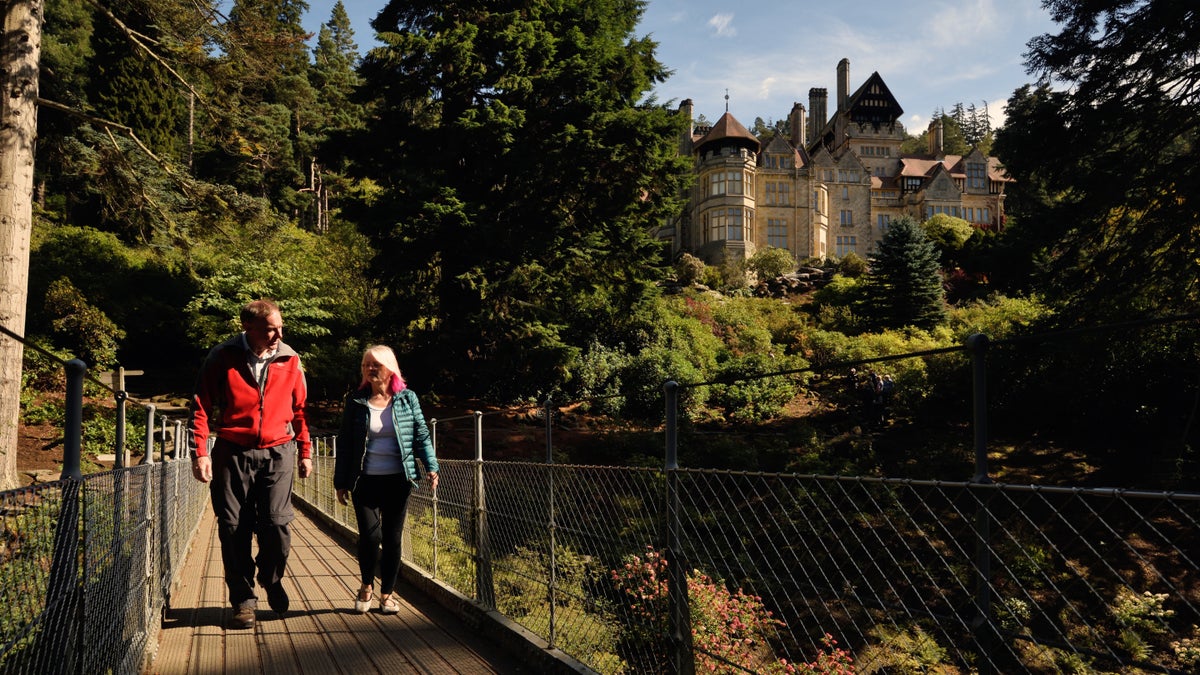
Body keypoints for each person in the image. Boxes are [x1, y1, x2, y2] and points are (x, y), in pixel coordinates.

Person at [188, 299, 313, 630]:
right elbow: (200, 405)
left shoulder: (290, 358)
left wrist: (305, 450)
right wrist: (200, 452)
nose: (278, 335)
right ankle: (243, 600)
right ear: (248, 327)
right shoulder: (222, 356)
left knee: (277, 525)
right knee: (233, 528)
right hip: (232, 452)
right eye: (270, 329)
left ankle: (271, 578)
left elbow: (300, 409)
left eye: (280, 328)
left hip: (278, 452)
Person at [334, 345, 439, 615]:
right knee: (370, 536)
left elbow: (421, 435)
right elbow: (345, 443)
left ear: (389, 368)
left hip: (398, 480)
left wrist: (431, 466)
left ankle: (387, 595)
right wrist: (340, 481)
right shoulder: (356, 401)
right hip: (364, 480)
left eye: (376, 365)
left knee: (392, 539)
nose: (370, 369)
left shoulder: (407, 399)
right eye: (366, 365)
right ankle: (366, 586)